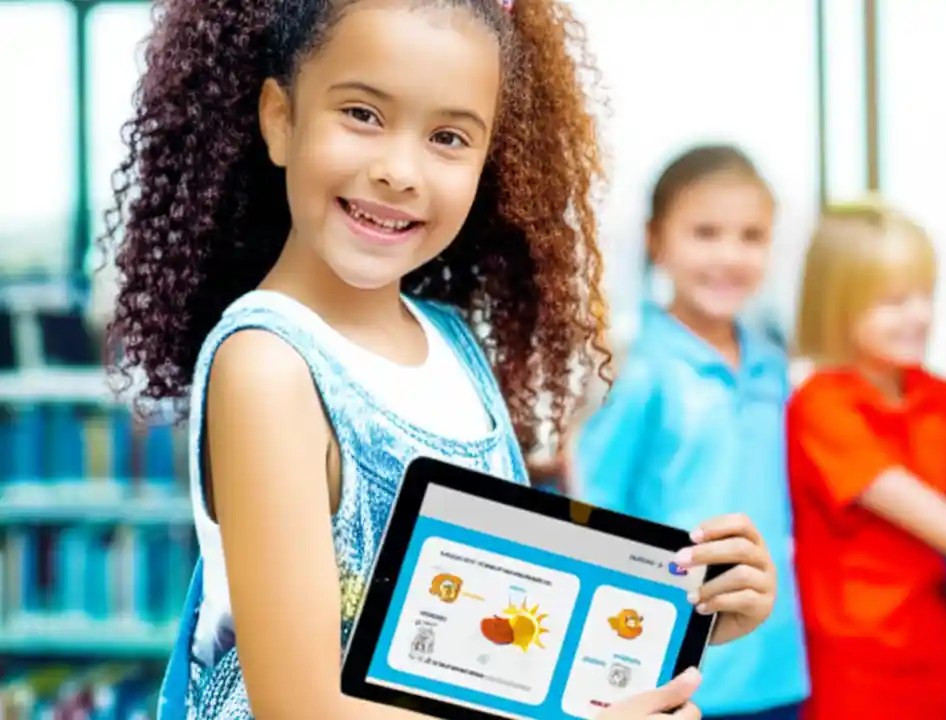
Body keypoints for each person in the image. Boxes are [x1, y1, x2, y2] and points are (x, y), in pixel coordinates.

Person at [105, 1, 777, 717]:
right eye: (362, 114)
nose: (400, 170)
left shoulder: (454, 344)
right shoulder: (268, 367)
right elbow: (301, 709)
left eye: (450, 136)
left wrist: (684, 617)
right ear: (280, 119)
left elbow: (496, 643)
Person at [574, 145, 809, 720]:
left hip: (778, 668)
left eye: (751, 236)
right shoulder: (638, 371)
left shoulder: (775, 368)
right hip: (676, 675)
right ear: (658, 240)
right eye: (705, 233)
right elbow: (595, 512)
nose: (729, 255)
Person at [786, 200, 946, 720]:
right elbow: (938, 522)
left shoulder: (945, 398)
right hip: (855, 673)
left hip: (944, 659)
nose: (920, 315)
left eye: (925, 294)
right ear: (837, 305)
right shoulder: (821, 407)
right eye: (894, 301)